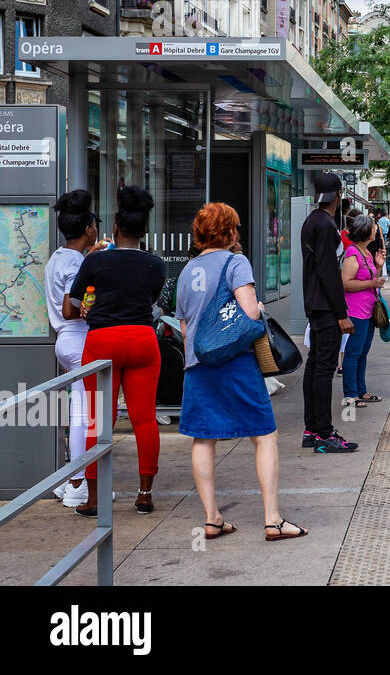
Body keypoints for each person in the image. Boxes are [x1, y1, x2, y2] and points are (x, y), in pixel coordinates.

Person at [176, 203, 307, 541]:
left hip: (197, 364)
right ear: (231, 231)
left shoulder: (187, 270)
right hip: (235, 363)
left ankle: (212, 518)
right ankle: (273, 520)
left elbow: (185, 325)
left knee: (203, 438)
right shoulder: (236, 262)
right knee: (264, 435)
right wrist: (259, 307)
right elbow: (249, 313)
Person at [69, 185, 166, 518]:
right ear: (144, 231)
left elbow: (76, 300)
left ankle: (95, 498)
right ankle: (144, 494)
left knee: (99, 418)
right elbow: (151, 300)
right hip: (141, 340)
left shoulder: (96, 260)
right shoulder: (156, 265)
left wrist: (90, 305)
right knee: (143, 418)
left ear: (115, 228)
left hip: (102, 342)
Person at [44, 190, 107, 509]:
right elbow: (72, 308)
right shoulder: (75, 262)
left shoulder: (60, 256)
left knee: (77, 411)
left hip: (65, 340)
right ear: (88, 229)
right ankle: (78, 484)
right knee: (84, 413)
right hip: (79, 338)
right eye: (94, 223)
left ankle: (72, 478)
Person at [300, 172, 358, 453]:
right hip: (326, 306)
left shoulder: (312, 221)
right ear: (338, 195)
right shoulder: (325, 225)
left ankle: (311, 428)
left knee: (314, 366)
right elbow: (328, 271)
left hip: (314, 303)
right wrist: (341, 312)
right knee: (324, 368)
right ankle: (324, 433)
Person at [341, 215, 386, 408]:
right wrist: (372, 282)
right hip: (356, 311)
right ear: (366, 231)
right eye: (374, 228)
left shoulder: (366, 252)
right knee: (353, 353)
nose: (376, 231)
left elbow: (369, 278)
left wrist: (377, 266)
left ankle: (362, 390)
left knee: (363, 352)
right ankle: (350, 395)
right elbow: (345, 283)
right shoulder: (352, 254)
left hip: (368, 311)